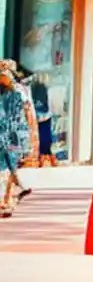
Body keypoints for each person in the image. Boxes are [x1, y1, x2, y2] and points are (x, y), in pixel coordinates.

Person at [0, 60, 36, 216]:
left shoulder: (16, 94)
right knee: (7, 167)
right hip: (7, 136)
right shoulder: (16, 94)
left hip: (10, 136)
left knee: (9, 166)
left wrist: (25, 139)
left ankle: (7, 199)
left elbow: (23, 117)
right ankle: (10, 196)